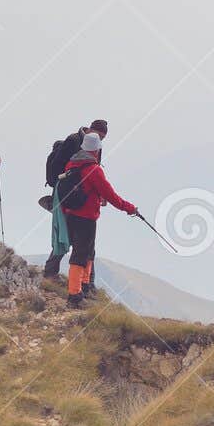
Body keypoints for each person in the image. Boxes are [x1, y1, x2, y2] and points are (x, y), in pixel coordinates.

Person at [57, 131, 137, 309]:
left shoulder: (71, 164)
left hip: (70, 214)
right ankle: (75, 296)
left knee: (87, 252)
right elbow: (111, 195)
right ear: (96, 150)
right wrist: (129, 208)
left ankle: (84, 287)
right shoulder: (94, 170)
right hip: (86, 218)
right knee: (80, 255)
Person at [43, 118, 108, 279]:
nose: (100, 140)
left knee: (79, 240)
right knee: (67, 235)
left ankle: (86, 282)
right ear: (90, 129)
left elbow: (94, 171)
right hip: (67, 197)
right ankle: (52, 273)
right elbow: (58, 167)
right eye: (99, 135)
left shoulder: (95, 145)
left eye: (102, 138)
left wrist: (99, 194)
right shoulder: (73, 140)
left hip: (82, 199)